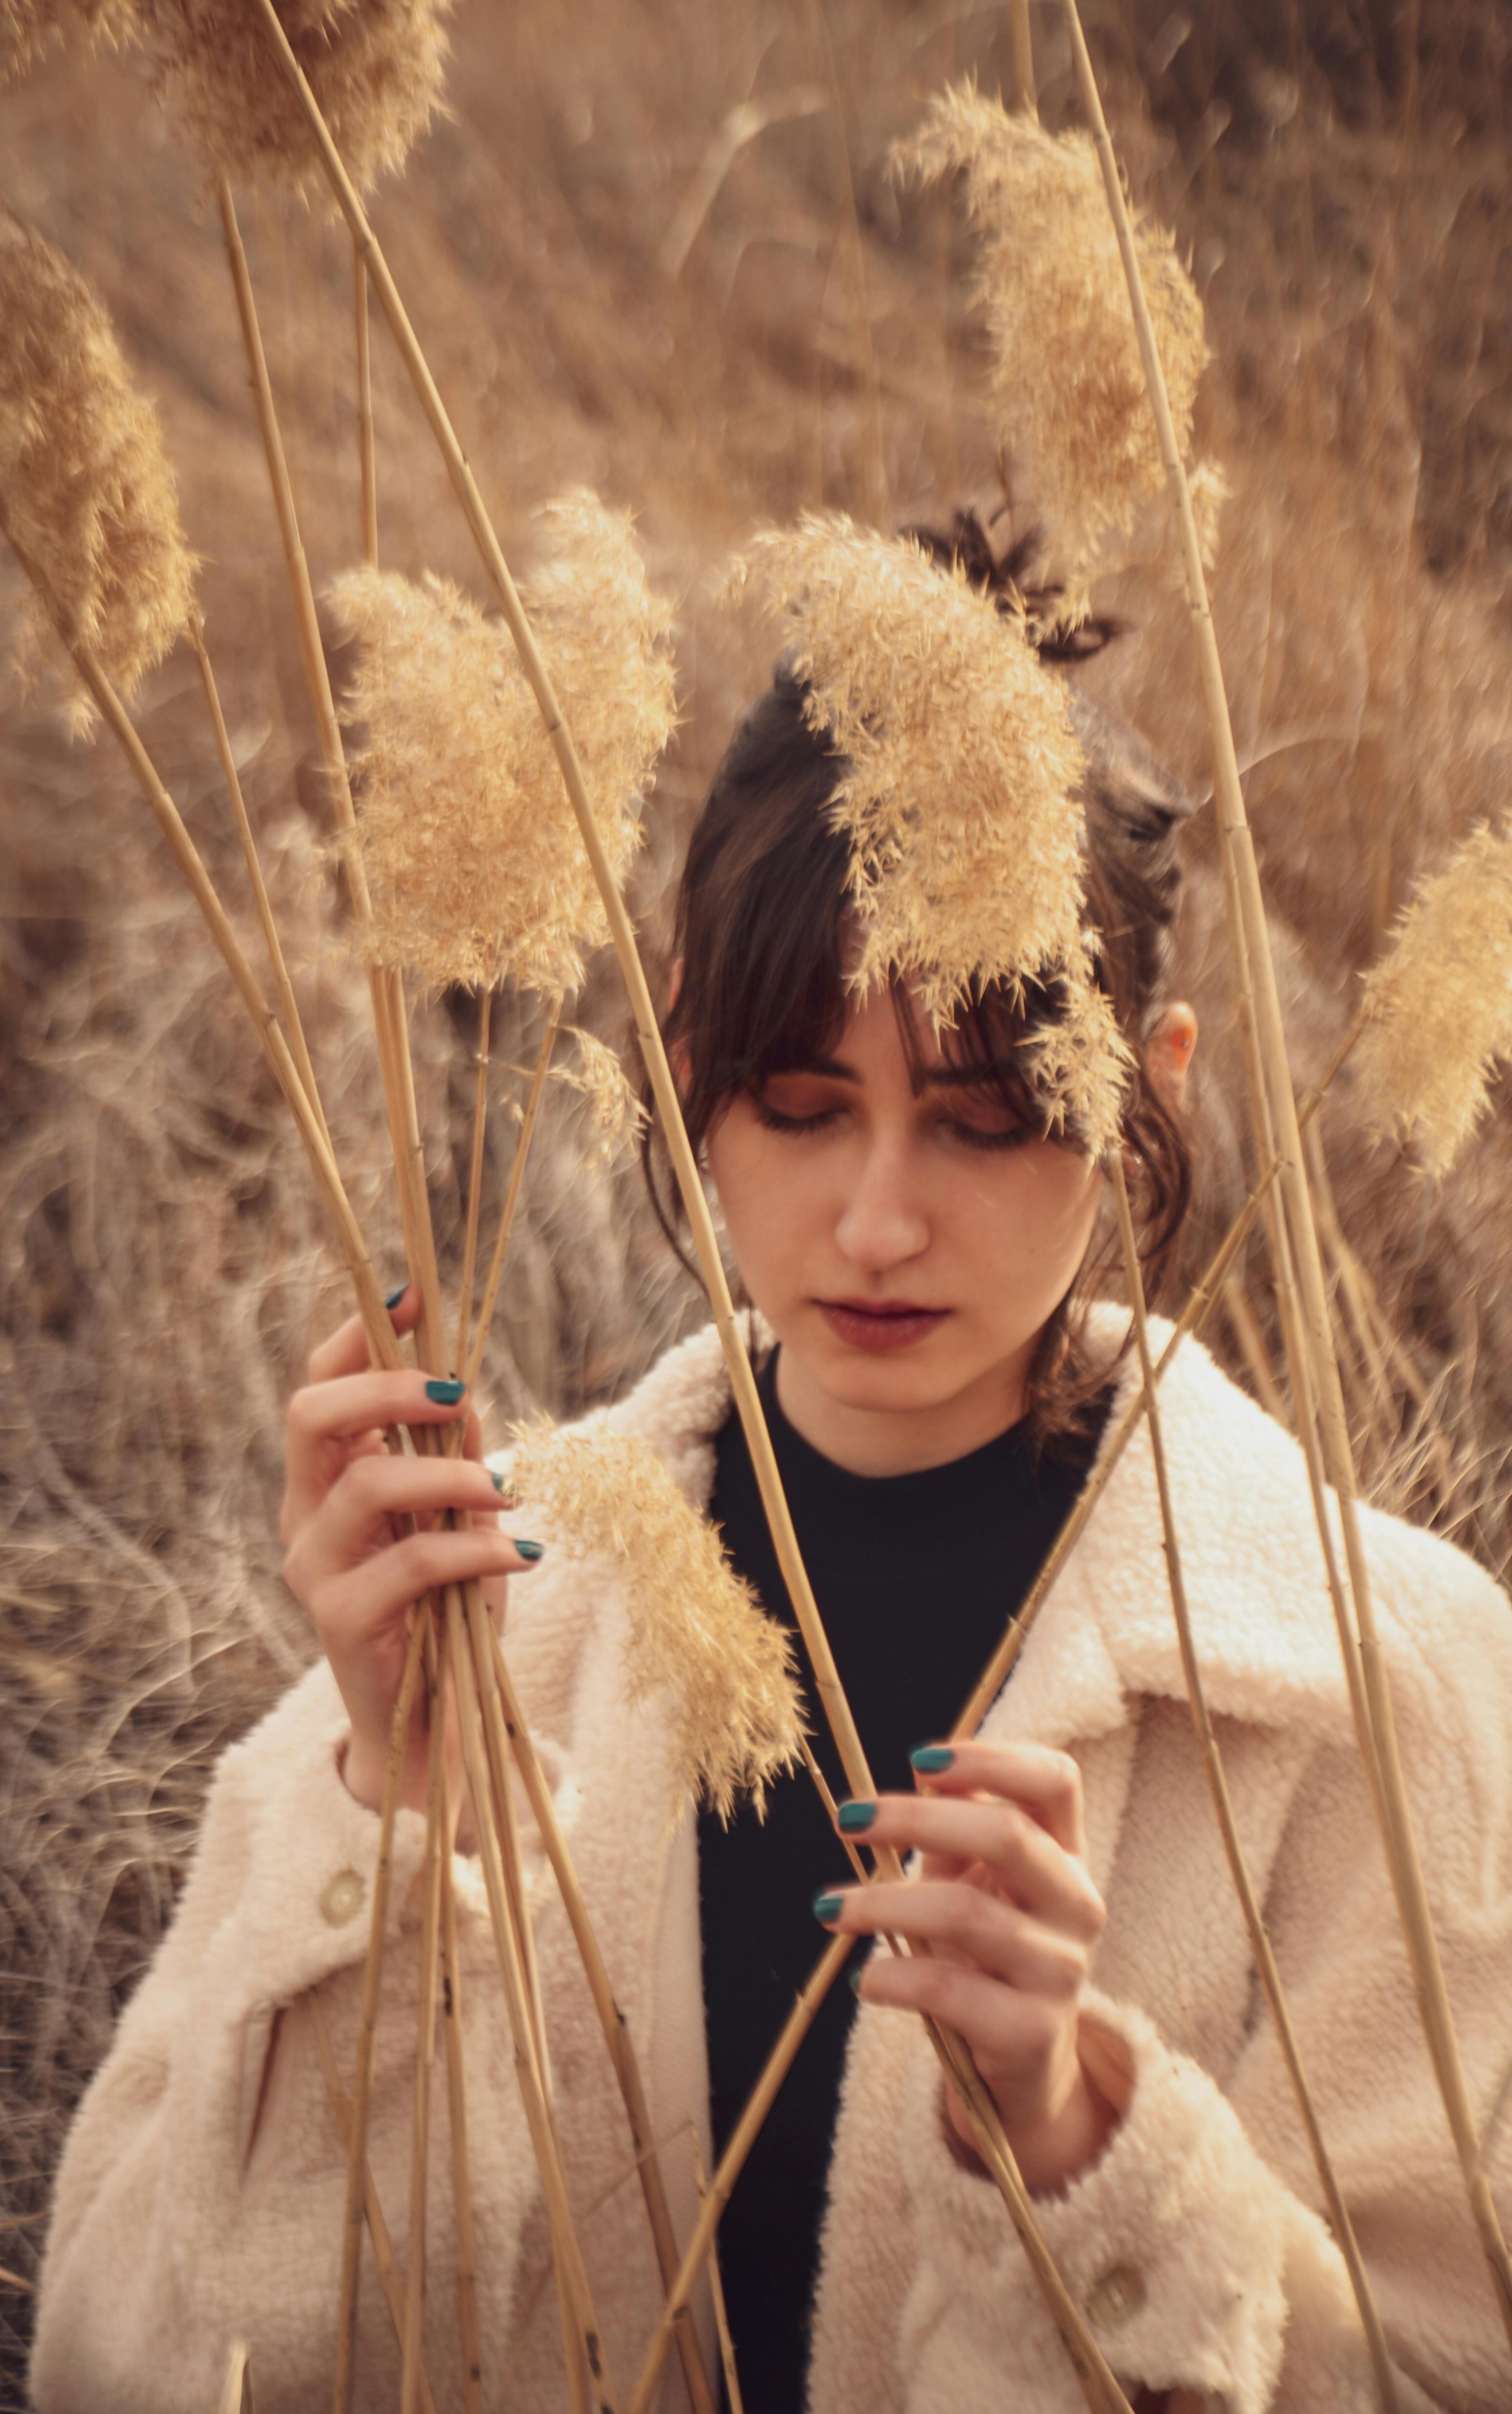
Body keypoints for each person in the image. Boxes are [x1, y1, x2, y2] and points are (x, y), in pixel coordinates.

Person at [29, 525, 1512, 2414]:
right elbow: (123, 2354)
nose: (878, 1222)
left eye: (982, 1123)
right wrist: (396, 1808)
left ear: (1152, 1086)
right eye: (804, 1108)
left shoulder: (1379, 1684)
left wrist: (1080, 2145)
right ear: (686, 1062)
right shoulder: (505, 1604)